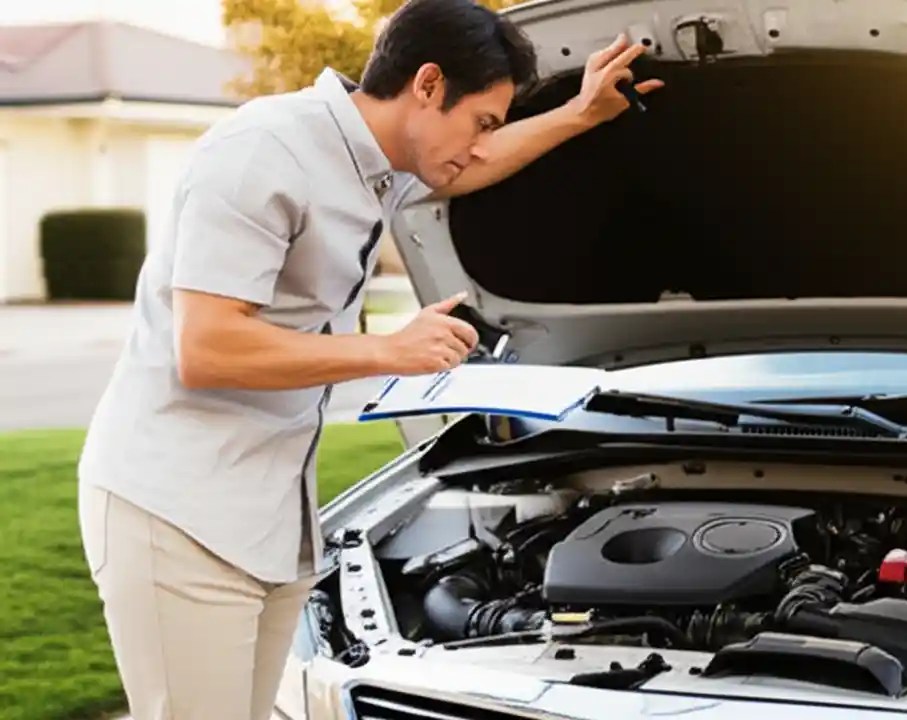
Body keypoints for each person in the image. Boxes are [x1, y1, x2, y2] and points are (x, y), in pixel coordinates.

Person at [75, 1, 663, 717]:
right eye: (481, 118)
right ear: (426, 84)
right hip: (177, 516)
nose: (484, 142)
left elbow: (468, 168)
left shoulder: (374, 159)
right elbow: (205, 347)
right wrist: (387, 349)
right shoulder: (264, 152)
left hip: (266, 514)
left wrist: (581, 113)